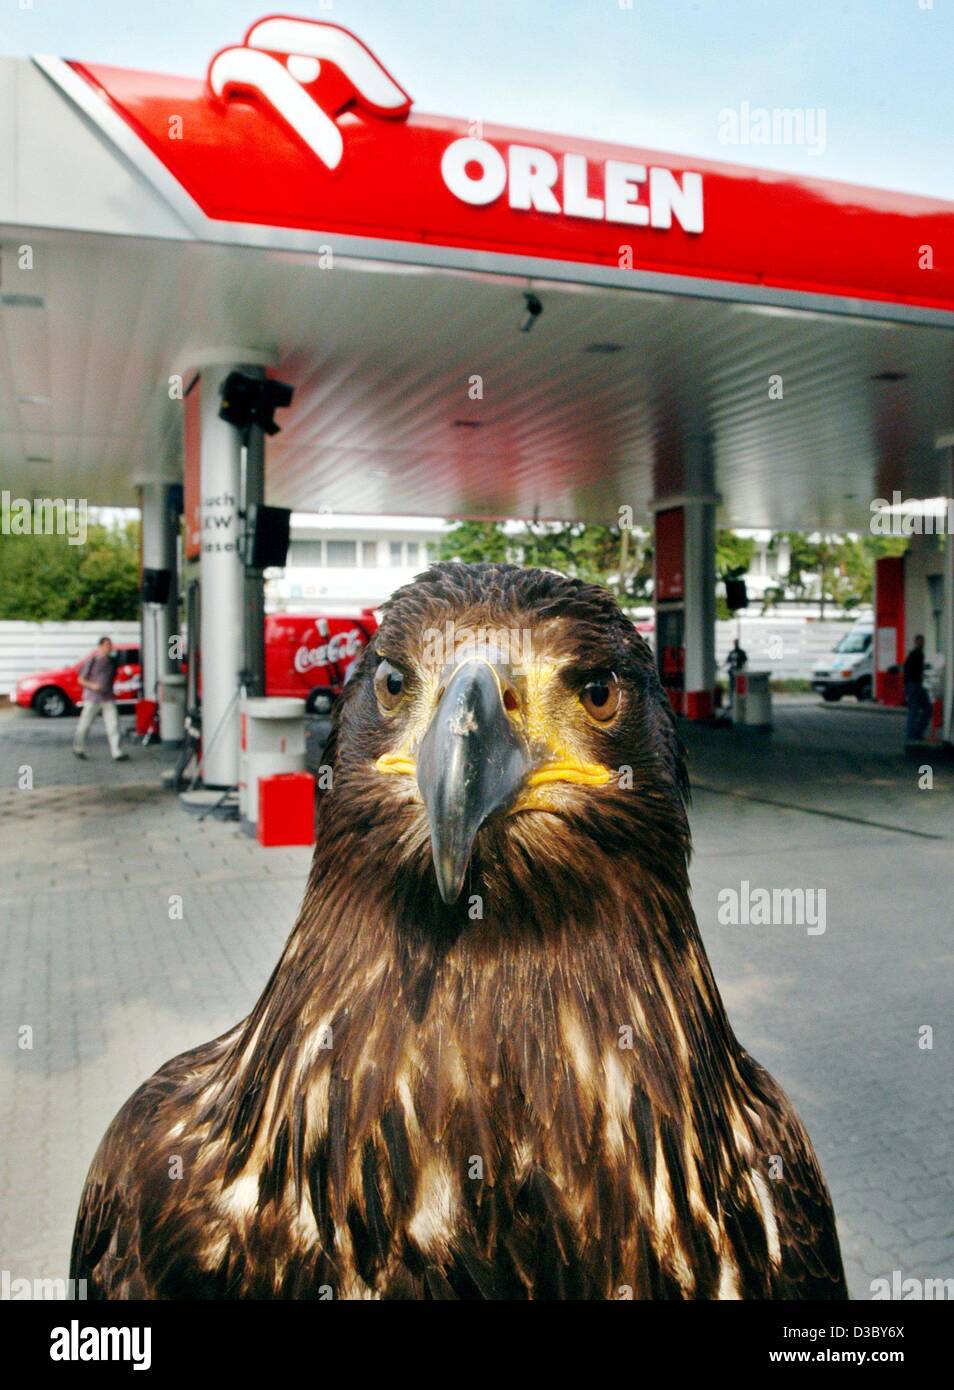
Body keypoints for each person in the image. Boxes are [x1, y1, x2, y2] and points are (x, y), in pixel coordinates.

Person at [73, 637, 130, 762]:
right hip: (92, 697)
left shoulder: (112, 661)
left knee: (113, 724)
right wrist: (93, 685)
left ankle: (117, 751)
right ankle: (78, 748)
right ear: (100, 646)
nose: (109, 647)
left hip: (108, 697)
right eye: (106, 645)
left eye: (110, 645)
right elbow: (81, 679)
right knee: (85, 724)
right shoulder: (92, 660)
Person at [903, 633, 932, 742]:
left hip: (914, 685)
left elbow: (907, 670)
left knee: (916, 710)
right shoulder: (917, 654)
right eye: (920, 641)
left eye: (922, 641)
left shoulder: (914, 654)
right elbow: (913, 671)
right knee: (919, 709)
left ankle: (914, 733)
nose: (922, 643)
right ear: (917, 642)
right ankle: (914, 734)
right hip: (915, 684)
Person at [726, 638, 748, 715]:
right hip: (735, 672)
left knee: (735, 688)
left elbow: (728, 661)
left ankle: (735, 702)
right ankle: (734, 702)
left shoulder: (735, 652)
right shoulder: (739, 652)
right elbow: (745, 661)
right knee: (734, 688)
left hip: (736, 672)